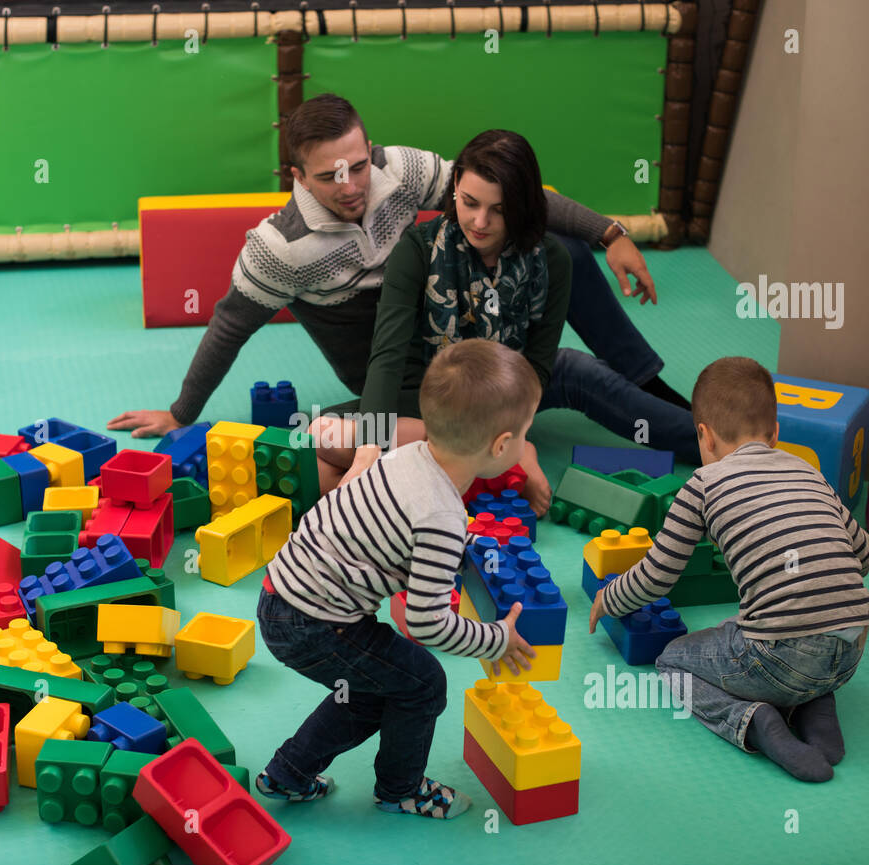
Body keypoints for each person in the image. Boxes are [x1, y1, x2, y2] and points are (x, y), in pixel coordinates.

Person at [108, 94, 697, 472]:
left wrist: (609, 231)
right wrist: (182, 413)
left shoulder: (400, 170)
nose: (351, 187)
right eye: (329, 176)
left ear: (370, 149)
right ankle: (490, 441)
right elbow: (230, 326)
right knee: (313, 437)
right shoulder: (277, 247)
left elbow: (506, 197)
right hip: (398, 386)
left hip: (468, 347)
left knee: (562, 252)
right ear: (296, 176)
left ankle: (671, 407)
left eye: (359, 165)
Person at [255, 339, 538, 818]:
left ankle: (288, 773)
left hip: (282, 595)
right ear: (500, 446)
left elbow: (388, 529)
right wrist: (496, 639)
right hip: (315, 622)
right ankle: (401, 790)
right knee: (422, 682)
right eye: (526, 433)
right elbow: (428, 625)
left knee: (371, 687)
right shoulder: (442, 515)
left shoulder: (404, 456)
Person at [588, 356, 869, 782]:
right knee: (791, 638)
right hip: (851, 652)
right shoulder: (810, 472)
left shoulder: (702, 485)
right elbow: (866, 555)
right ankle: (815, 705)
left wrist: (608, 598)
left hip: (777, 660)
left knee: (672, 662)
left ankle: (754, 722)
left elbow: (657, 576)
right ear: (776, 434)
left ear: (703, 436)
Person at [321, 128, 569, 507]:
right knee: (319, 438)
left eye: (499, 210)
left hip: (495, 409)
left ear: (523, 205)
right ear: (455, 185)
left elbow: (536, 368)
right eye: (470, 202)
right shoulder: (418, 249)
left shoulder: (552, 260)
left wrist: (513, 431)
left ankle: (489, 457)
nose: (480, 222)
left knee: (333, 461)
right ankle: (487, 462)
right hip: (422, 397)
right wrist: (368, 449)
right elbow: (386, 357)